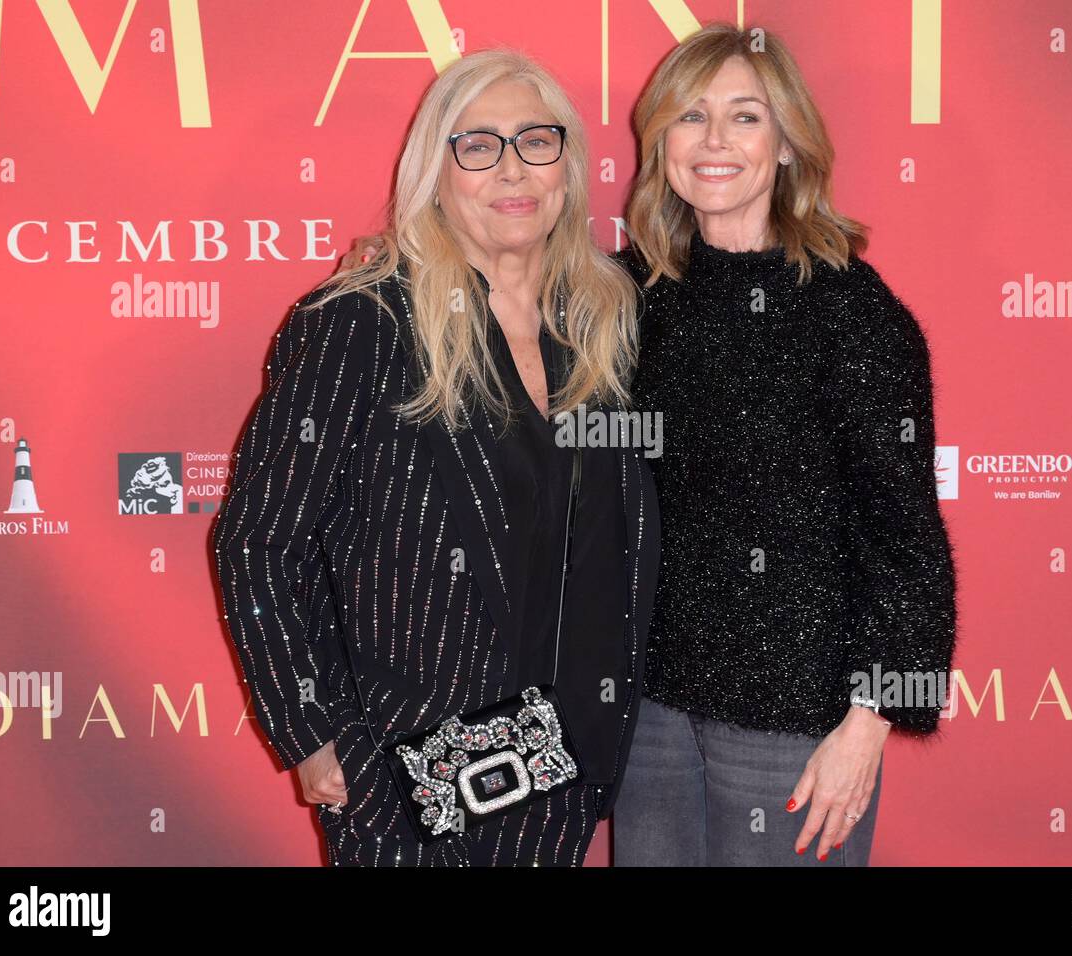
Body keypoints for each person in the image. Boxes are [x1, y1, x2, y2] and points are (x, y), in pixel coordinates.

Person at [213, 47, 659, 866]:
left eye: (537, 141)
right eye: (478, 145)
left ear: (568, 166)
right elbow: (259, 539)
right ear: (436, 171)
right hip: (407, 761)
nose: (512, 169)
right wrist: (310, 730)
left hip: (566, 751)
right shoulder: (362, 319)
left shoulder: (607, 316)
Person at [611, 22, 958, 866]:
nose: (714, 141)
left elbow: (905, 537)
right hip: (648, 709)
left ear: (788, 143)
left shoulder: (851, 311)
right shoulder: (627, 298)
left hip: (797, 717)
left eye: (745, 116)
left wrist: (869, 726)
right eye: (691, 116)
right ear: (661, 142)